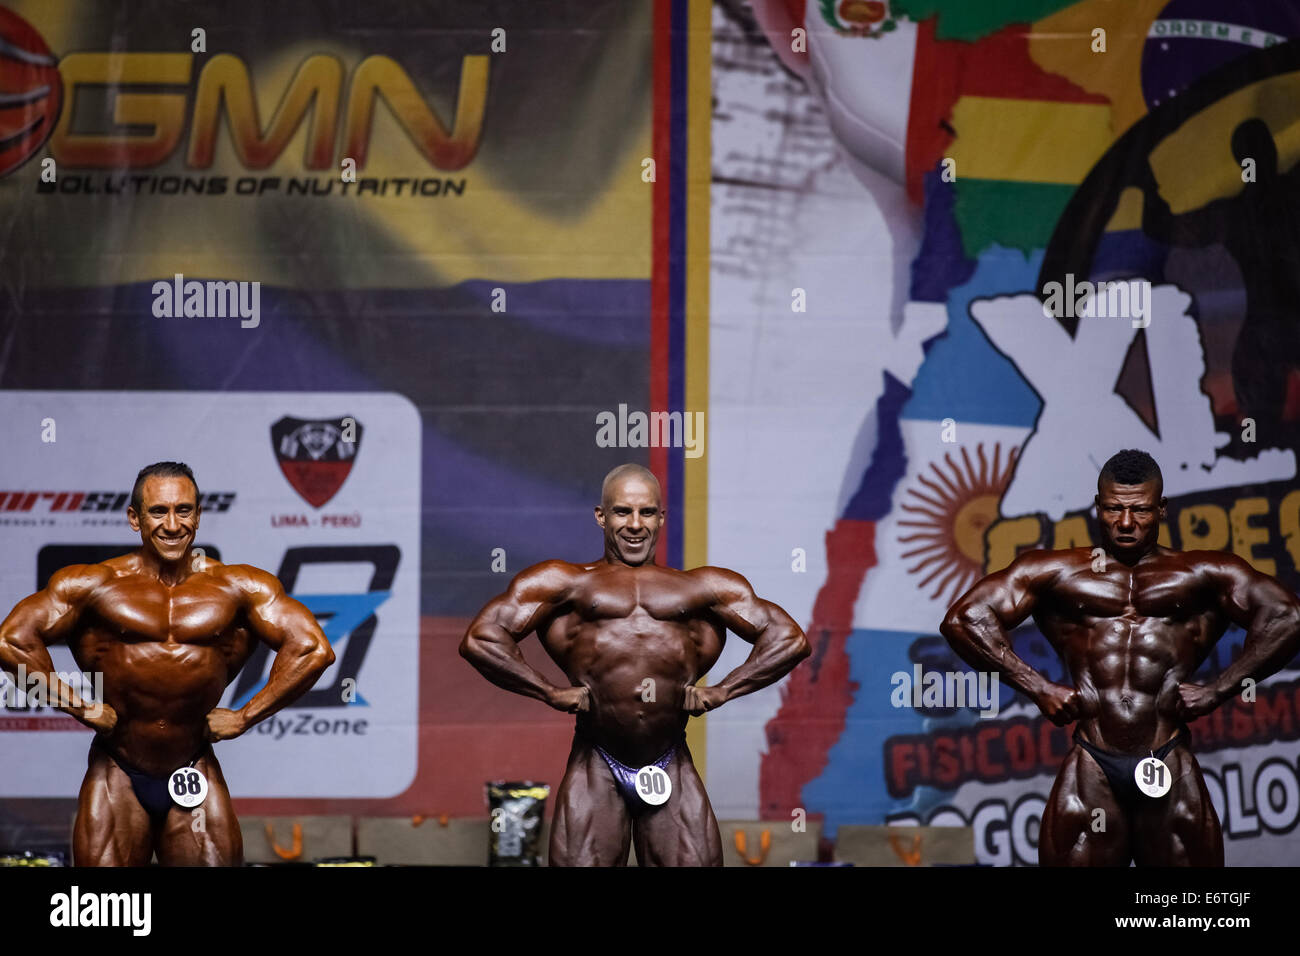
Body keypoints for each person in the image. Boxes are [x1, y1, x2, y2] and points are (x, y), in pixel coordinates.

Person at [940, 449, 1300, 866]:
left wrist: (1218, 690)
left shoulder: (1203, 574)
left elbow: (1286, 617)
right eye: (1113, 508)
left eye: (1140, 510)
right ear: (1098, 506)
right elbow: (964, 620)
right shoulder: (1055, 572)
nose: (1126, 523)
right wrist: (1037, 687)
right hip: (1092, 761)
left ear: (1161, 509)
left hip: (1167, 754)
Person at [460, 463, 809, 866]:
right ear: (601, 516)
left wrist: (723, 690)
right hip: (597, 760)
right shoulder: (565, 582)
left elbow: (789, 639)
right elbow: (482, 639)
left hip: (670, 758)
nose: (635, 524)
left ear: (662, 518)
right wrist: (549, 691)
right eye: (623, 512)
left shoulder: (703, 588)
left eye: (646, 512)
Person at [0, 462, 335, 865]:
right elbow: (10, 643)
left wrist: (246, 716)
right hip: (117, 771)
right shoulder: (93, 585)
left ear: (198, 514)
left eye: (184, 510)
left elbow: (314, 650)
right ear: (134, 518)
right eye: (158, 511)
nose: (173, 525)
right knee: (109, 913)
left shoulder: (238, 588)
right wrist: (80, 706)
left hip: (194, 765)